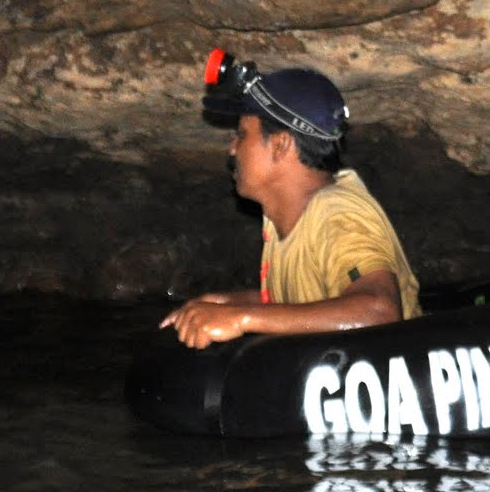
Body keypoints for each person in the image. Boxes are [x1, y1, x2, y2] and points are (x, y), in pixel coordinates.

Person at [161, 51, 421, 349]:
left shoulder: (338, 212)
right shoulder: (281, 217)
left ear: (281, 145)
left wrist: (243, 318)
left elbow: (380, 311)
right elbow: (306, 303)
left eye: (242, 135)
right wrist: (228, 303)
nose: (233, 149)